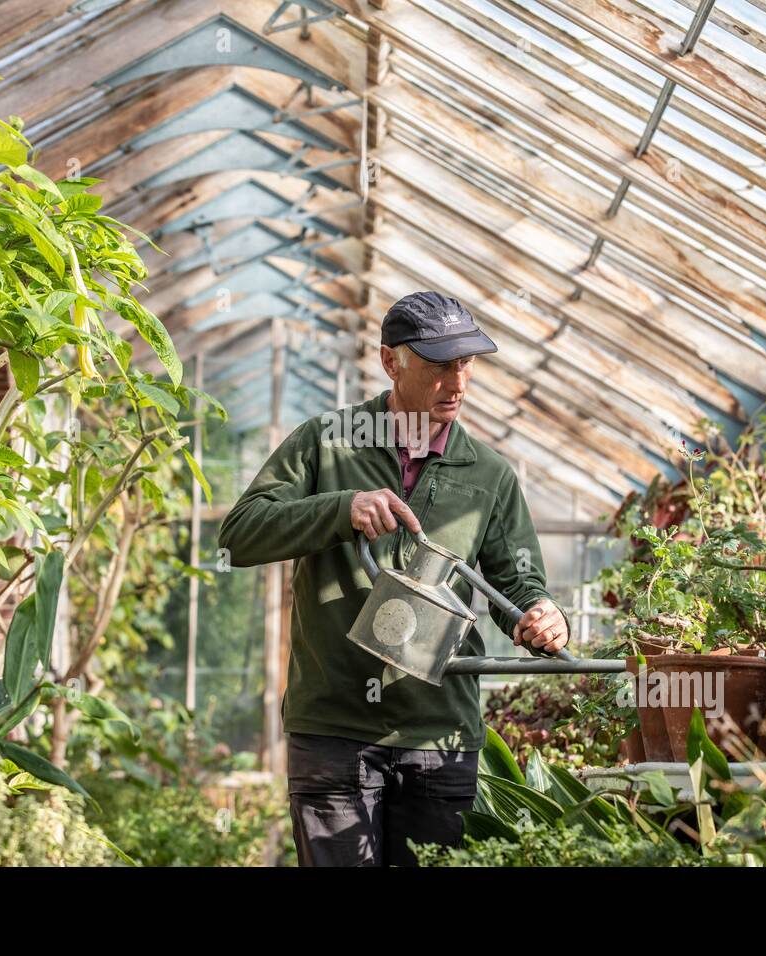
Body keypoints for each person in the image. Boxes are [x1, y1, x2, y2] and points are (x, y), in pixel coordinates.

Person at [217, 290, 570, 866]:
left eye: (465, 365)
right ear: (390, 362)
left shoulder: (488, 474)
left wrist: (543, 616)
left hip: (439, 736)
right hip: (333, 729)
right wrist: (339, 509)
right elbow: (239, 535)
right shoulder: (325, 443)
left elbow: (519, 585)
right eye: (437, 367)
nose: (456, 385)